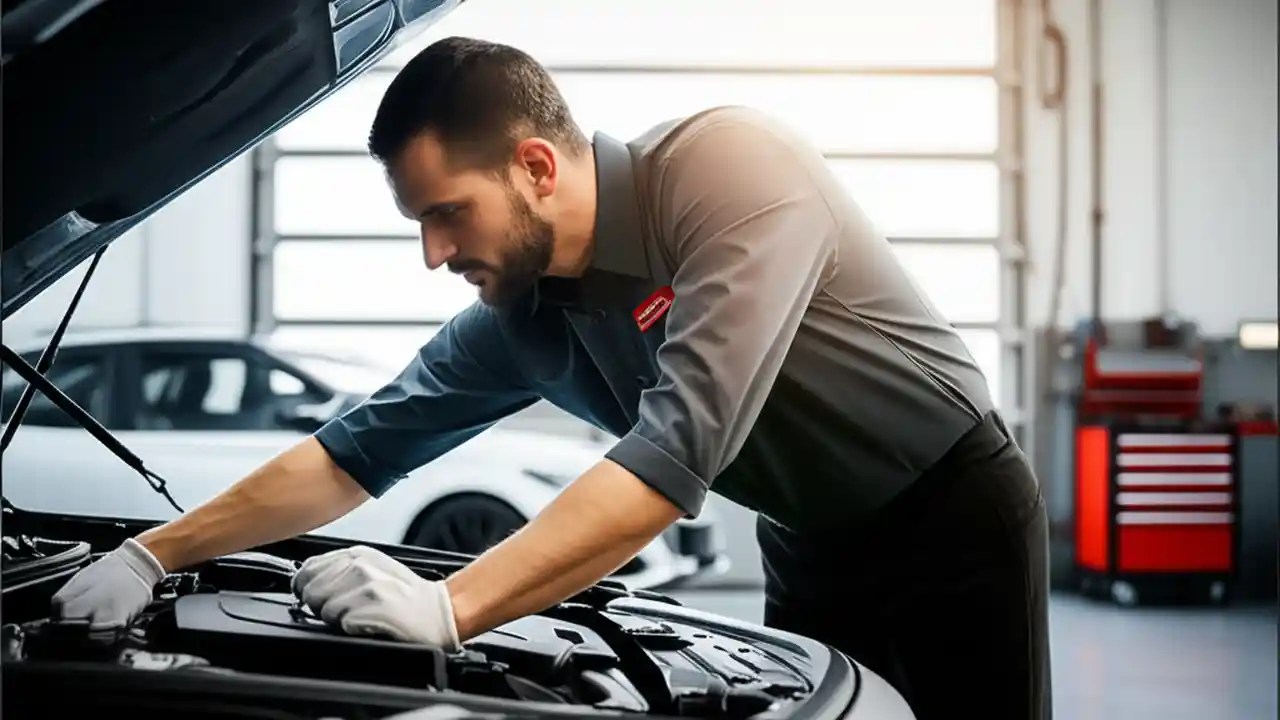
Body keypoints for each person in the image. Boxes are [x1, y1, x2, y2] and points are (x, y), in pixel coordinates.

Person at [51, 37, 1051, 719]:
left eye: (446, 214)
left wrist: (450, 609)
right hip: (806, 543)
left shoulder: (725, 171)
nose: (433, 254)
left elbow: (670, 454)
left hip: (949, 517)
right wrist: (150, 554)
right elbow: (351, 453)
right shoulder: (516, 317)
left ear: (534, 165)